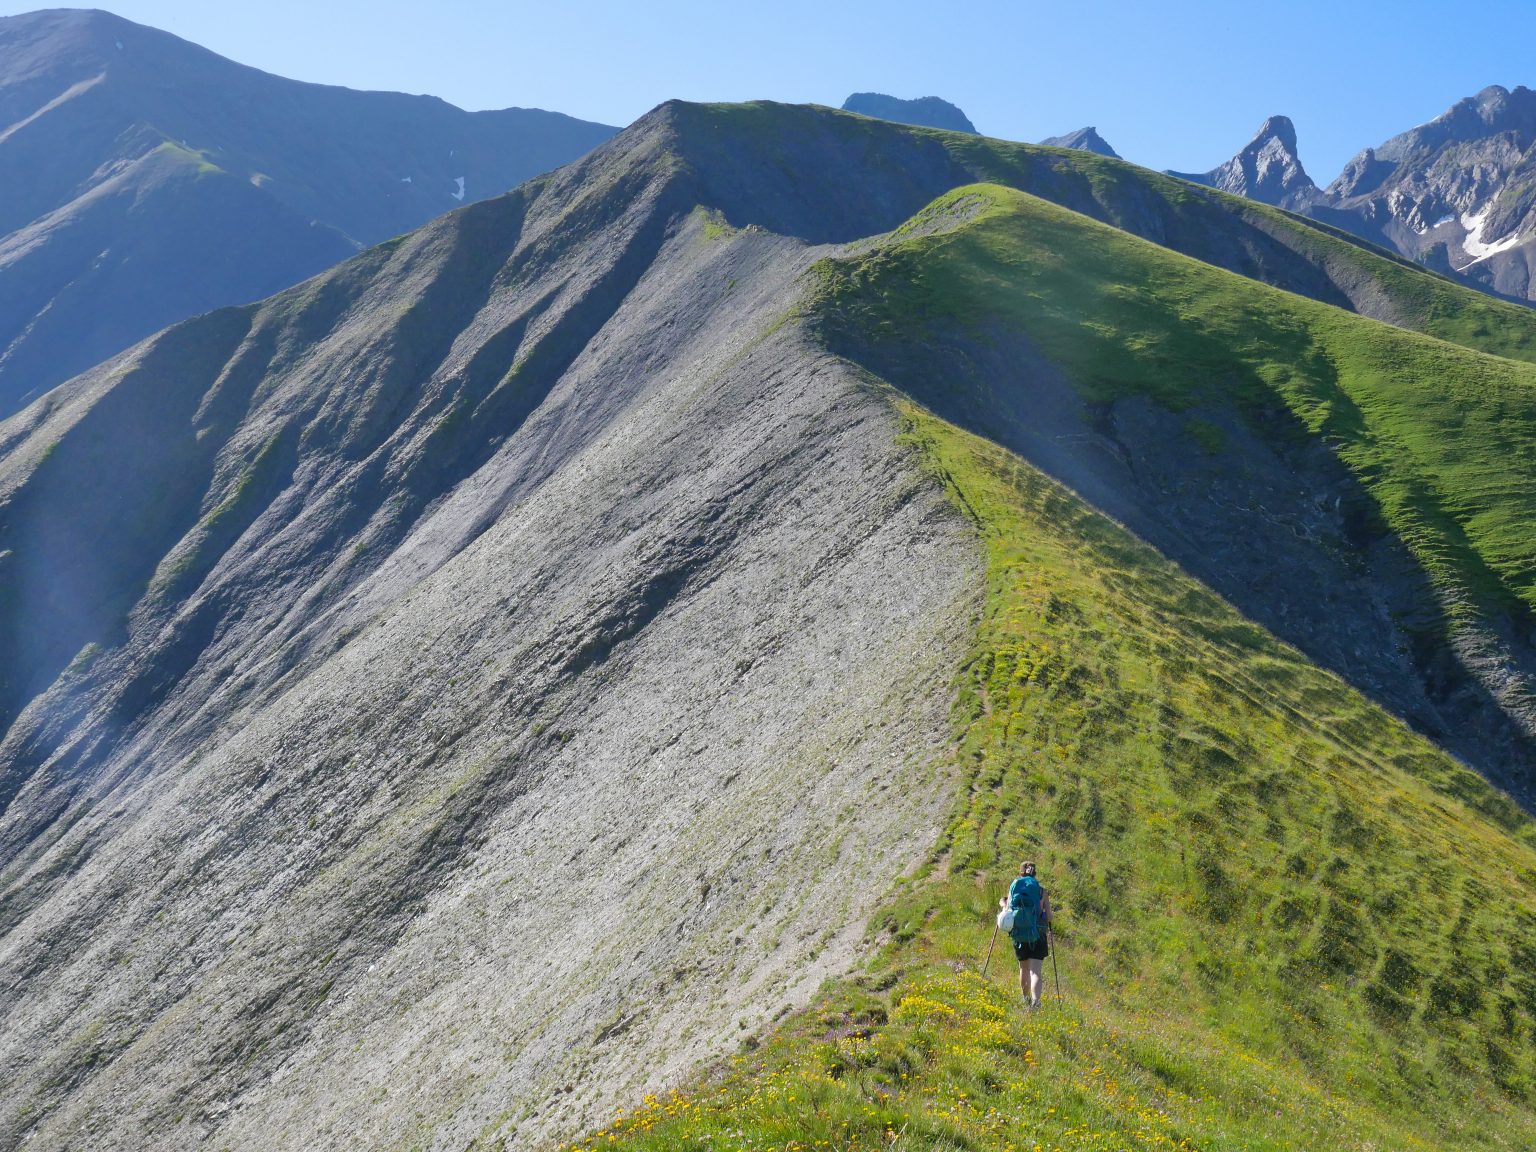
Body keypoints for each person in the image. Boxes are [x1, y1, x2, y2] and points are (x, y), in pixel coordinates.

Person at [1004, 860, 1052, 1008]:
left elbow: (1008, 910)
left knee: (1023, 968)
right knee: (1035, 971)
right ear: (1035, 873)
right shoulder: (1041, 891)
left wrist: (1002, 904)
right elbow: (1049, 917)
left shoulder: (1014, 886)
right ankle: (1036, 1003)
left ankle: (1025, 1001)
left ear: (1021, 872)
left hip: (1019, 934)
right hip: (1037, 934)